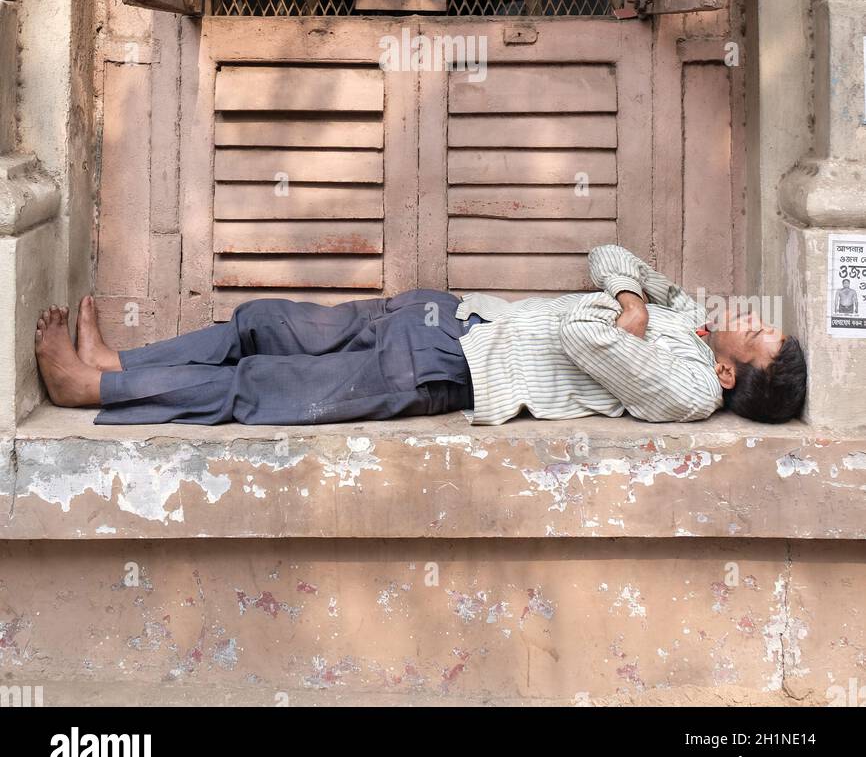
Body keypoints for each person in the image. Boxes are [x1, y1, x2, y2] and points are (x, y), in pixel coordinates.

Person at [34, 244, 806, 427]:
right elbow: (611, 258)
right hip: (456, 315)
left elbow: (582, 334)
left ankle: (90, 387)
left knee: (265, 389)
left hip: (453, 370)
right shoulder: (690, 323)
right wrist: (636, 295)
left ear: (736, 377)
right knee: (262, 321)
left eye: (760, 334)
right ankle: (121, 362)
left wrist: (624, 312)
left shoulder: (694, 386)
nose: (751, 317)